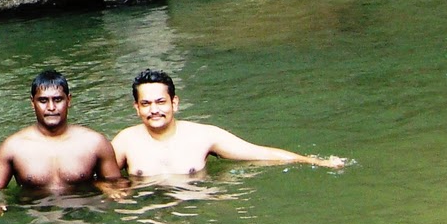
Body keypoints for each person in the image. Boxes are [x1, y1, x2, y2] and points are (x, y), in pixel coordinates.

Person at [112, 69, 347, 177]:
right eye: (146, 104)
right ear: (137, 108)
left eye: (161, 102)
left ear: (174, 103)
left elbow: (259, 153)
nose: (154, 110)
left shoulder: (203, 136)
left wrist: (314, 161)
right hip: (145, 214)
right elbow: (95, 179)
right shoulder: (125, 141)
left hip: (195, 209)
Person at [0, 70, 127, 214]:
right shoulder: (13, 147)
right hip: (35, 220)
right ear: (32, 102)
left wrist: (113, 191)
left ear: (69, 100)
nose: (51, 107)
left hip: (83, 216)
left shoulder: (94, 142)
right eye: (43, 100)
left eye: (57, 99)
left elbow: (117, 184)